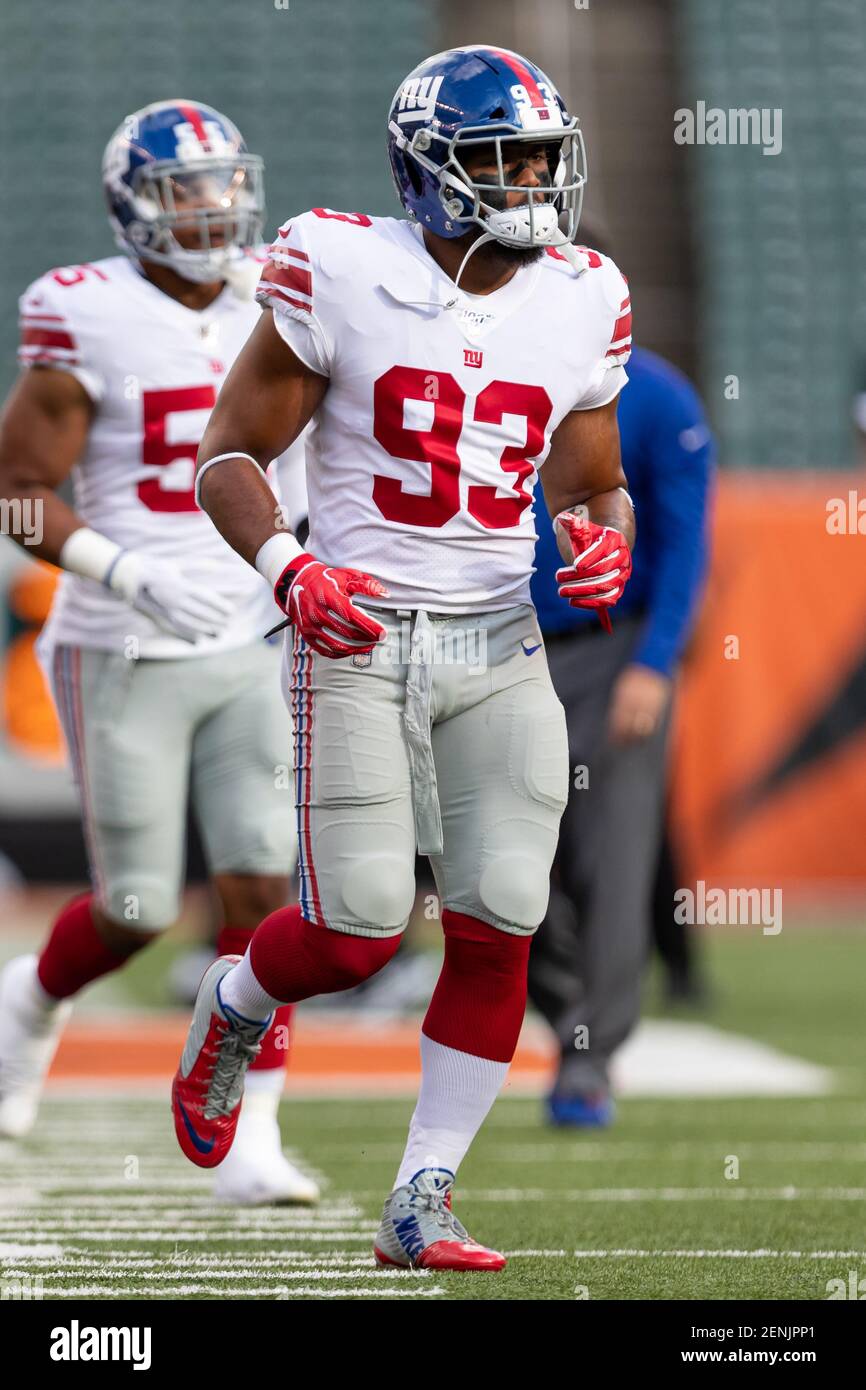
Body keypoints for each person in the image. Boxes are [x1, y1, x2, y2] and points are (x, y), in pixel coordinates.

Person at [170, 45, 636, 1271]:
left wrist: (600, 543)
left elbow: (594, 482)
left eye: (543, 157)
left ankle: (420, 1194)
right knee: (358, 928)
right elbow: (226, 458)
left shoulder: (584, 288)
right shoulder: (339, 264)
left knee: (502, 916)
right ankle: (237, 1003)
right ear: (429, 170)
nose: (533, 182)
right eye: (505, 159)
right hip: (357, 625)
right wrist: (290, 570)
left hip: (499, 634)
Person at [0, 99, 317, 1206]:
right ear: (135, 202)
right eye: (189, 189)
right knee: (134, 907)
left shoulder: (286, 291)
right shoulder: (79, 310)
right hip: (122, 641)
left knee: (261, 885)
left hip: (253, 632)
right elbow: (17, 496)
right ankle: (28, 1003)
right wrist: (126, 572)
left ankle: (249, 1133)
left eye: (226, 183)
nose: (214, 207)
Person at [527, 287, 715, 1125]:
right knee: (503, 860)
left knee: (613, 857)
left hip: (610, 648)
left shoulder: (658, 395)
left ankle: (589, 1054)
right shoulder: (477, 372)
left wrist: (654, 662)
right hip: (495, 641)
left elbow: (683, 544)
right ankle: (566, 1016)